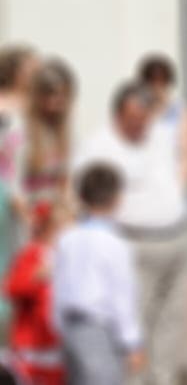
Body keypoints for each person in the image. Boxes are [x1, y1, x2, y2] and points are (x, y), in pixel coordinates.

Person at [72, 83, 187, 385]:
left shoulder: (159, 135)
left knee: (168, 321)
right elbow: (82, 196)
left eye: (143, 116)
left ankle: (164, 379)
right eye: (133, 117)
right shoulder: (100, 145)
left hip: (174, 239)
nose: (139, 123)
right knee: (133, 322)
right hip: (133, 243)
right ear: (118, 115)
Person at [53, 163, 144, 385]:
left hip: (70, 328)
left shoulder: (67, 239)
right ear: (117, 199)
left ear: (81, 196)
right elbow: (122, 296)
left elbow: (57, 289)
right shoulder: (115, 244)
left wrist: (58, 328)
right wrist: (132, 342)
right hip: (100, 330)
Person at [3, 202, 64, 385]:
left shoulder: (64, 254)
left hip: (57, 349)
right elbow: (12, 287)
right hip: (32, 348)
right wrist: (38, 275)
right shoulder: (31, 253)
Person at [0, 45, 38, 322]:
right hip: (8, 192)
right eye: (31, 66)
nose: (38, 71)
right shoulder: (3, 106)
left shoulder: (35, 105)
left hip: (33, 190)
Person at [23, 60, 75, 222]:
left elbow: (64, 180)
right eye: (51, 94)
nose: (57, 101)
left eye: (62, 95)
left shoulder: (62, 130)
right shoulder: (22, 127)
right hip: (26, 211)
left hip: (52, 213)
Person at [137, 54, 187, 190]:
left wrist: (179, 185)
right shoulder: (138, 110)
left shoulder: (179, 111)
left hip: (171, 183)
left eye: (161, 81)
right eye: (152, 81)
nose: (156, 87)